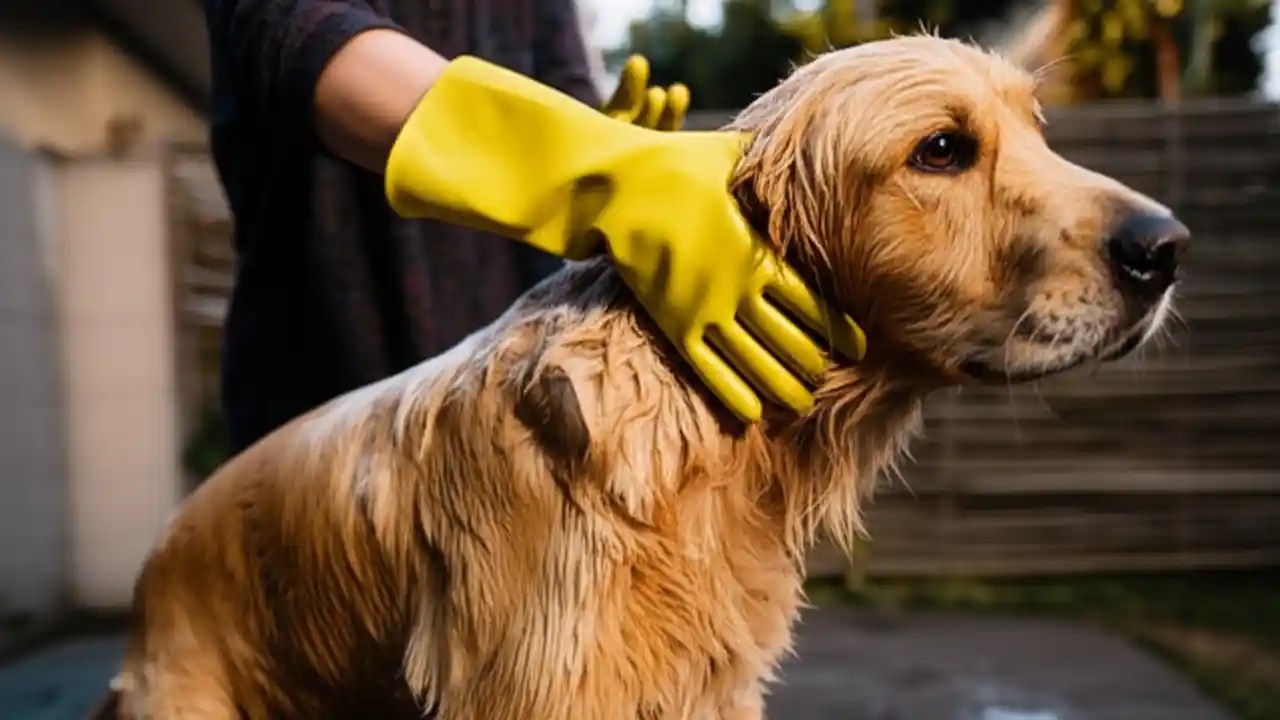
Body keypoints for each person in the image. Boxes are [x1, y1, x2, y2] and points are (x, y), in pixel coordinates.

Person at [202, 0, 864, 454]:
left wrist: (601, 137)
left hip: (505, 410)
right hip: (320, 415)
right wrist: (591, 173)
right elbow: (298, 42)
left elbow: (564, 83)